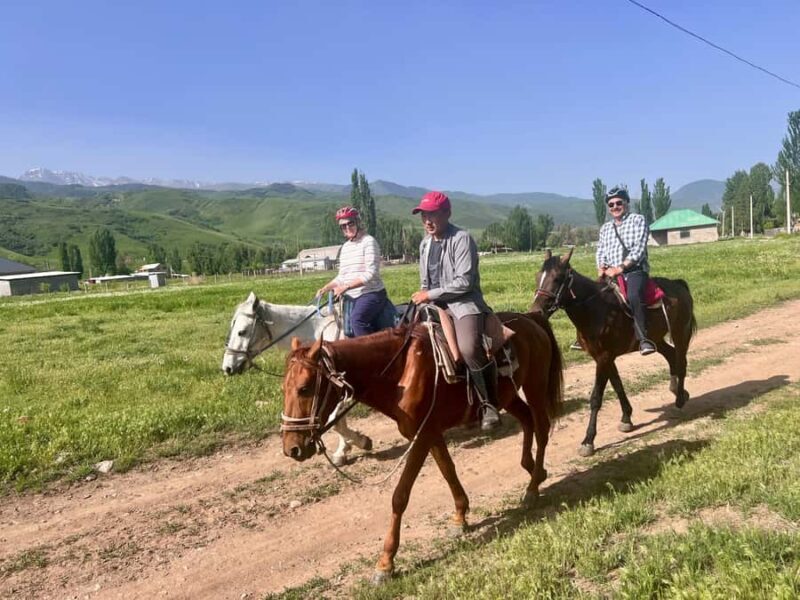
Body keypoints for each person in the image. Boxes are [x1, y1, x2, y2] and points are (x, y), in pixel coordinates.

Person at [409, 191, 500, 430]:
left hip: (463, 304)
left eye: (433, 214)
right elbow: (425, 283)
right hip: (434, 305)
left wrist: (428, 295)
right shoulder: (424, 244)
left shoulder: (462, 239)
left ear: (447, 214)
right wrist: (423, 297)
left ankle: (489, 403)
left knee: (469, 348)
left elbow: (464, 282)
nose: (427, 220)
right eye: (424, 215)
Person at [596, 186, 656, 355]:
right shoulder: (605, 228)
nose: (615, 207)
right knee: (590, 296)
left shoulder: (638, 220)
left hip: (634, 271)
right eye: (611, 204)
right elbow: (600, 250)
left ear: (627, 203)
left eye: (618, 203)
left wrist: (620, 268)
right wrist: (601, 267)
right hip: (610, 273)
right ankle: (589, 336)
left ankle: (644, 339)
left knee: (633, 296)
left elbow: (639, 248)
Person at [316, 206, 389, 337]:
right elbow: (342, 276)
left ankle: (368, 354)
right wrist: (326, 288)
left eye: (351, 223)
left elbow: (371, 273)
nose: (347, 228)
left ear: (358, 222)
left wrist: (346, 287)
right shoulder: (345, 247)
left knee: (357, 320)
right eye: (343, 226)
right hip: (351, 295)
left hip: (371, 293)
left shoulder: (369, 241)